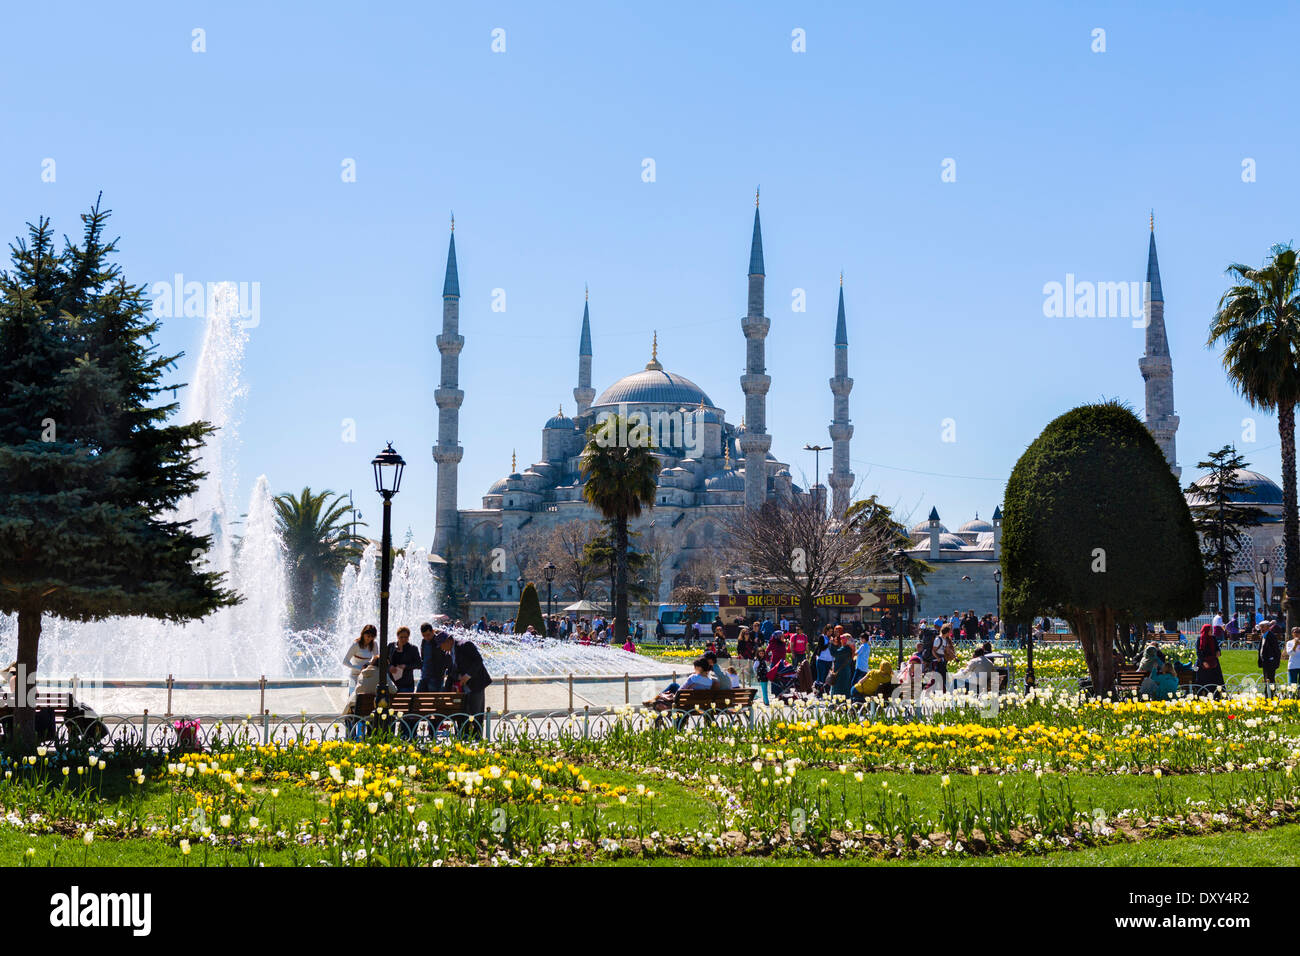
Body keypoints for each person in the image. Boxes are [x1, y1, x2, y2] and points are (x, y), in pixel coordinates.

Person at [432, 630, 493, 737]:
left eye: (441, 645)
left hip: (476, 683)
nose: (441, 648)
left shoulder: (465, 645)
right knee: (464, 710)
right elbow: (451, 672)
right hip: (462, 686)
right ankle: (464, 734)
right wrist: (455, 680)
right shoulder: (448, 654)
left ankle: (477, 736)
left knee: (476, 711)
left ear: (448, 641)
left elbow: (478, 661)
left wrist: (468, 675)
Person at [342, 624, 378, 694]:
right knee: (352, 698)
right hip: (354, 676)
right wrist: (359, 668)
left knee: (366, 699)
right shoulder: (356, 644)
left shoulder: (374, 644)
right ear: (363, 633)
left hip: (366, 676)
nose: (370, 638)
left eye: (372, 637)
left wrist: (369, 666)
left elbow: (376, 659)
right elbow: (345, 661)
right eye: (368, 636)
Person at [387, 625, 423, 693]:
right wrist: (389, 667)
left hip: (406, 684)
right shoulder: (391, 646)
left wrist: (405, 666)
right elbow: (382, 660)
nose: (403, 639)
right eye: (401, 637)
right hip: (391, 683)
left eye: (406, 637)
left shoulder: (413, 649)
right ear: (397, 636)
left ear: (409, 637)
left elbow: (419, 664)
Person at [1195, 623, 1225, 692]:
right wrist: (1203, 662)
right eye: (1210, 630)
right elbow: (1198, 652)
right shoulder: (1200, 639)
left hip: (1213, 662)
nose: (1212, 631)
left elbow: (1217, 648)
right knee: (1203, 680)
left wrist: (1218, 652)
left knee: (1216, 680)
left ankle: (1217, 693)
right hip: (1203, 662)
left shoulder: (1213, 638)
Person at [1258, 619, 1282, 695]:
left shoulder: (1271, 636)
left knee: (1270, 679)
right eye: (1260, 627)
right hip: (1265, 662)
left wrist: (1274, 661)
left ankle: (1271, 694)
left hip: (1270, 662)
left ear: (1268, 627)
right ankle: (1268, 693)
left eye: (1263, 627)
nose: (1261, 629)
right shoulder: (1263, 636)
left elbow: (1276, 651)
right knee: (1266, 679)